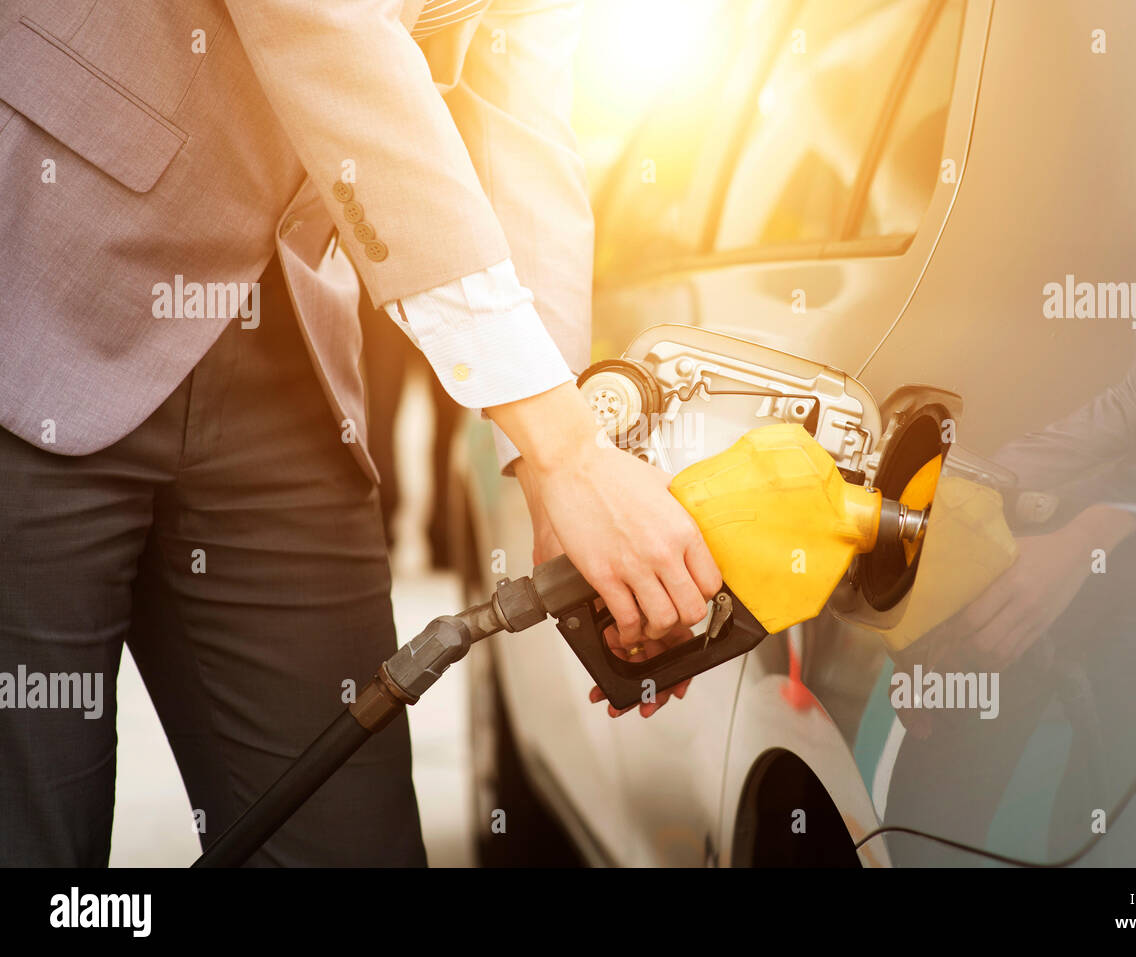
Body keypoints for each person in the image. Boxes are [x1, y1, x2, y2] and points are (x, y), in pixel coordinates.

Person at [0, 0, 720, 866]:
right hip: (39, 284)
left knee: (348, 843)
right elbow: (323, 23)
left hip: (286, 344)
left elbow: (515, 109)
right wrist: (565, 446)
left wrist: (552, 463)